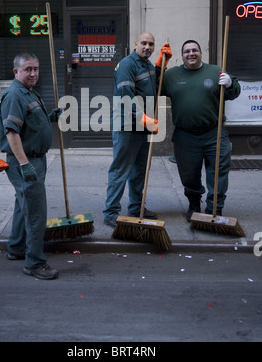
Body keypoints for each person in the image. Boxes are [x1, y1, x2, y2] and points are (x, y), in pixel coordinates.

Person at [162, 39, 241, 222]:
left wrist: (230, 84)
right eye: (187, 51)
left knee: (218, 172)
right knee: (189, 174)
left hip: (214, 133)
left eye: (195, 50)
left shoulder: (215, 71)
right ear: (182, 56)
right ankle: (194, 203)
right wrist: (160, 66)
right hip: (185, 135)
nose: (191, 53)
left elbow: (234, 92)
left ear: (200, 53)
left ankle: (215, 207)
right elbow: (153, 89)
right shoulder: (171, 75)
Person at [0, 53, 62, 280]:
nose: (33, 73)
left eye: (35, 69)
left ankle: (16, 247)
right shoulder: (15, 95)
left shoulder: (29, 92)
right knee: (36, 212)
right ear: (16, 72)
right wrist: (25, 164)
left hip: (35, 159)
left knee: (22, 204)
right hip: (25, 161)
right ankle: (34, 263)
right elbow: (12, 132)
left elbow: (29, 122)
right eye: (27, 69)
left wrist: (49, 117)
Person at [103, 32, 172, 227]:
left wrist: (161, 63)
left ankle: (135, 207)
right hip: (127, 125)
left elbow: (153, 84)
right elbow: (126, 95)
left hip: (142, 127)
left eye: (151, 44)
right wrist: (143, 118)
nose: (147, 47)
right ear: (136, 44)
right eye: (144, 43)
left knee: (140, 169)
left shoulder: (147, 64)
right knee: (121, 169)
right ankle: (110, 212)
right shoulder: (127, 64)